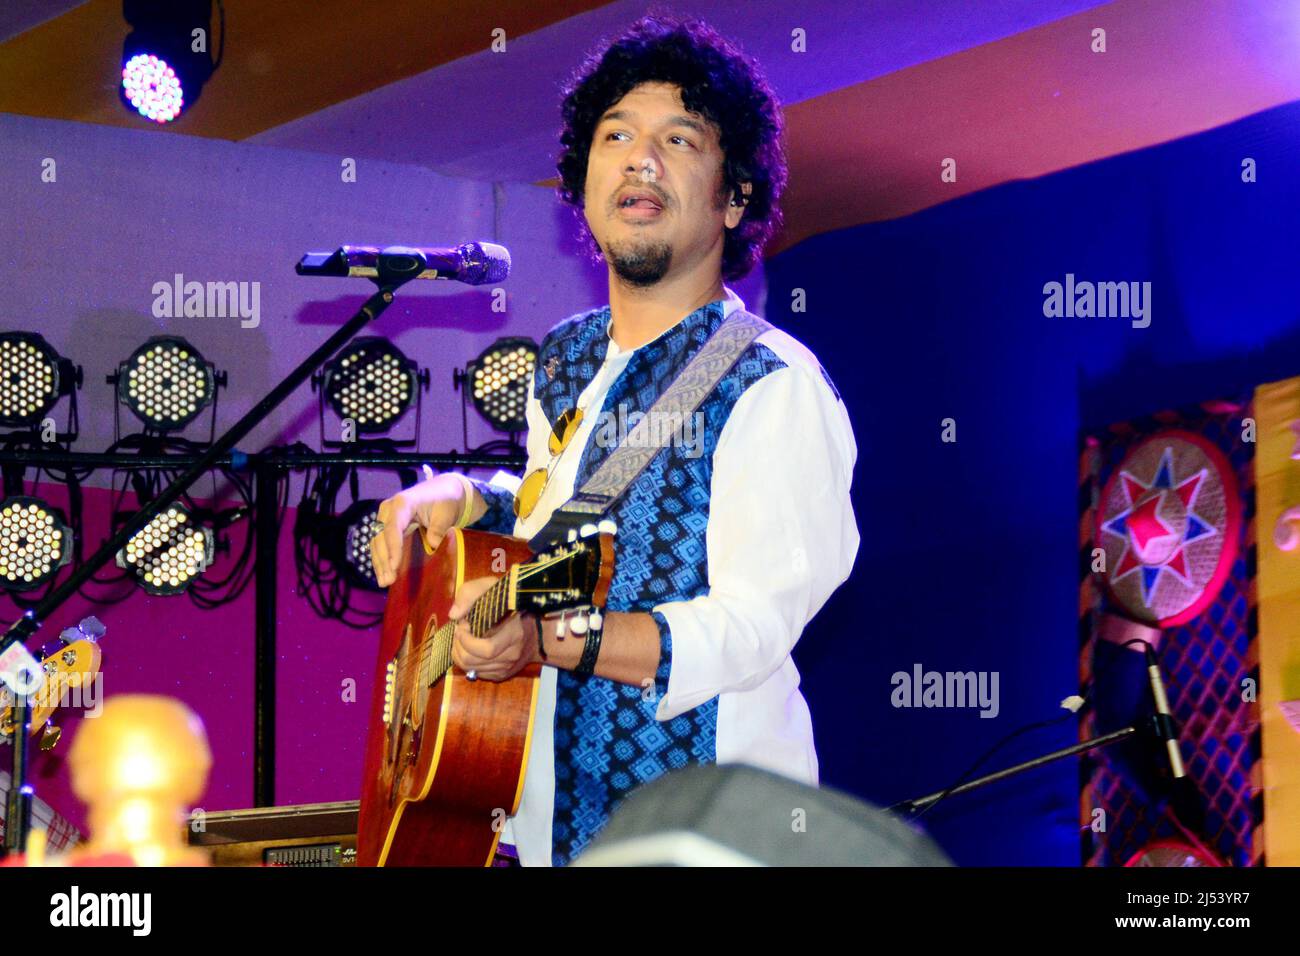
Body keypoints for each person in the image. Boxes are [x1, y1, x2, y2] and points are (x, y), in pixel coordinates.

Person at [370, 14, 859, 867]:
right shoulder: (564, 357)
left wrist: (553, 640)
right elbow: (549, 515)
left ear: (735, 195)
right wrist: (456, 496)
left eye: (679, 139)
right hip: (539, 826)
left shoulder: (770, 384)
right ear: (582, 178)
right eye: (616, 134)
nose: (640, 158)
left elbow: (750, 626)